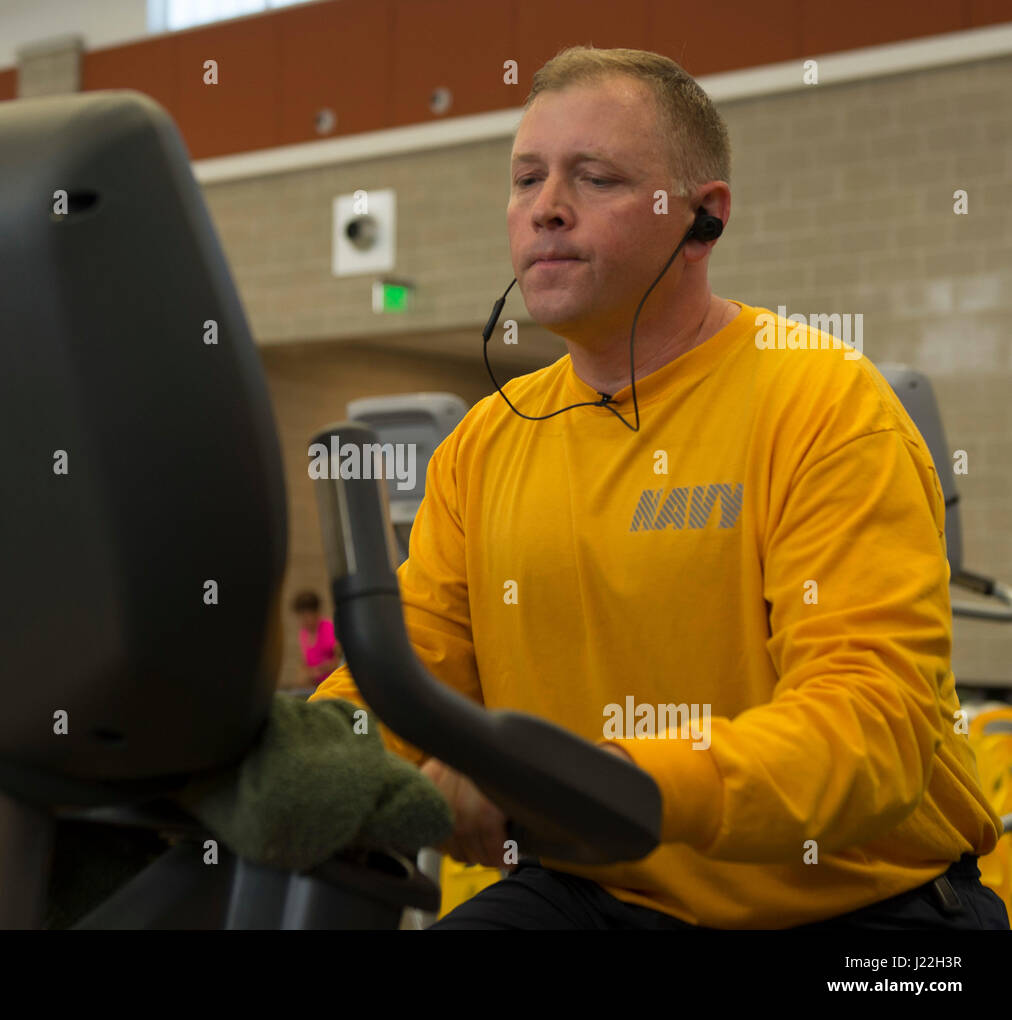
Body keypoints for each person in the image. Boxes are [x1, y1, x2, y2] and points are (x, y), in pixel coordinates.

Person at [310, 45, 1009, 930]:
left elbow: (872, 729)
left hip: (864, 905)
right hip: (602, 891)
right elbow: (407, 674)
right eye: (526, 179)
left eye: (595, 178)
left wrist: (598, 783)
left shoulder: (827, 407)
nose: (546, 206)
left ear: (701, 220)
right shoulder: (484, 444)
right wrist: (300, 761)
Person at [292, 590, 342, 689]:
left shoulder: (330, 628)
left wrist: (325, 668)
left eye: (307, 616)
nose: (304, 621)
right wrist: (309, 673)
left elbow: (341, 660)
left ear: (316, 613)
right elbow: (305, 664)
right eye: (301, 617)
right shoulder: (303, 634)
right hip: (316, 685)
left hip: (334, 684)